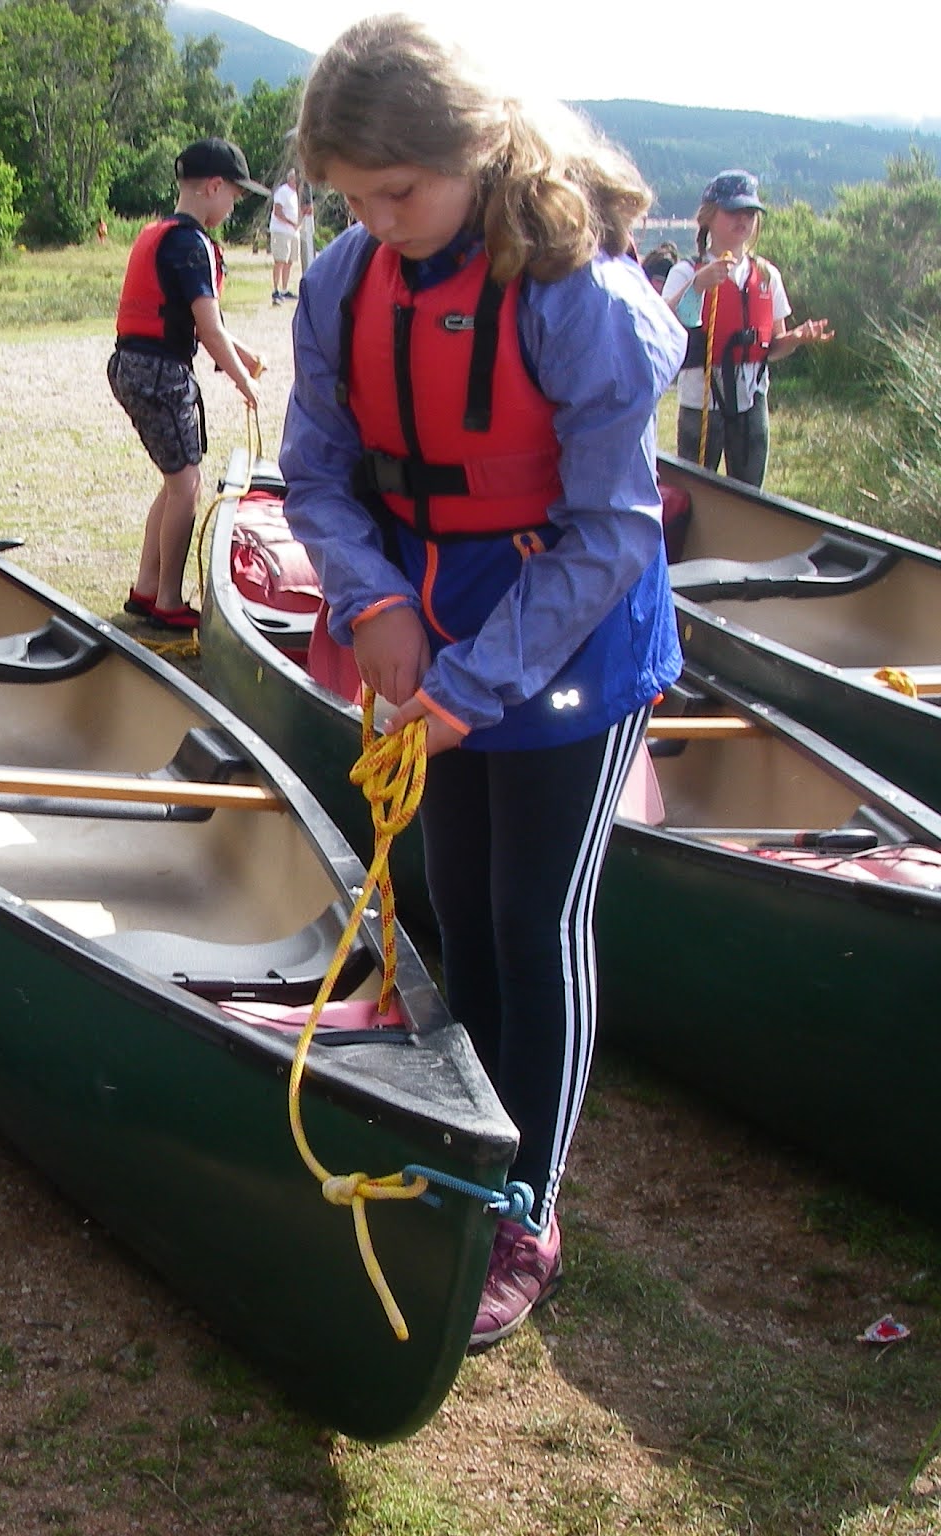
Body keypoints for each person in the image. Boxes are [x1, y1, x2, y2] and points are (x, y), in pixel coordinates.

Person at [282, 13, 686, 1349]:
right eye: (350, 199)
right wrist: (377, 601)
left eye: (398, 193)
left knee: (533, 914)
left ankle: (526, 1204)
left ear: (471, 152)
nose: (377, 222)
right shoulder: (348, 282)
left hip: (571, 649)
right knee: (453, 897)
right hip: (432, 633)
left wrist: (475, 680)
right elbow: (321, 473)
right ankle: (472, 1148)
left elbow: (615, 530)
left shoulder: (586, 300)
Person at [108, 137, 266, 630]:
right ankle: (170, 601)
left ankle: (147, 588)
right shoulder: (190, 244)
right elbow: (209, 327)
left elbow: (198, 323)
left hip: (131, 364)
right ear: (213, 186)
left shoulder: (162, 233)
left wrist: (240, 356)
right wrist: (244, 381)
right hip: (159, 373)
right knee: (187, 486)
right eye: (234, 197)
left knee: (175, 481)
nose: (233, 207)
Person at [660, 170, 833, 486]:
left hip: (752, 400)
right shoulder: (687, 271)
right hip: (701, 403)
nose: (743, 220)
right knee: (694, 494)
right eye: (733, 212)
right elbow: (659, 328)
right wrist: (696, 288)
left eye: (750, 213)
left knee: (751, 495)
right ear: (710, 217)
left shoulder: (766, 275)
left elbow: (774, 347)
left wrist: (795, 339)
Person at [269, 172, 301, 304]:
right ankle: (275, 290)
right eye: (296, 179)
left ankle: (285, 289)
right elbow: (278, 211)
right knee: (280, 260)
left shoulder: (295, 194)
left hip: (293, 233)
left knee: (289, 261)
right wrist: (291, 222)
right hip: (281, 231)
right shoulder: (283, 191)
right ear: (290, 179)